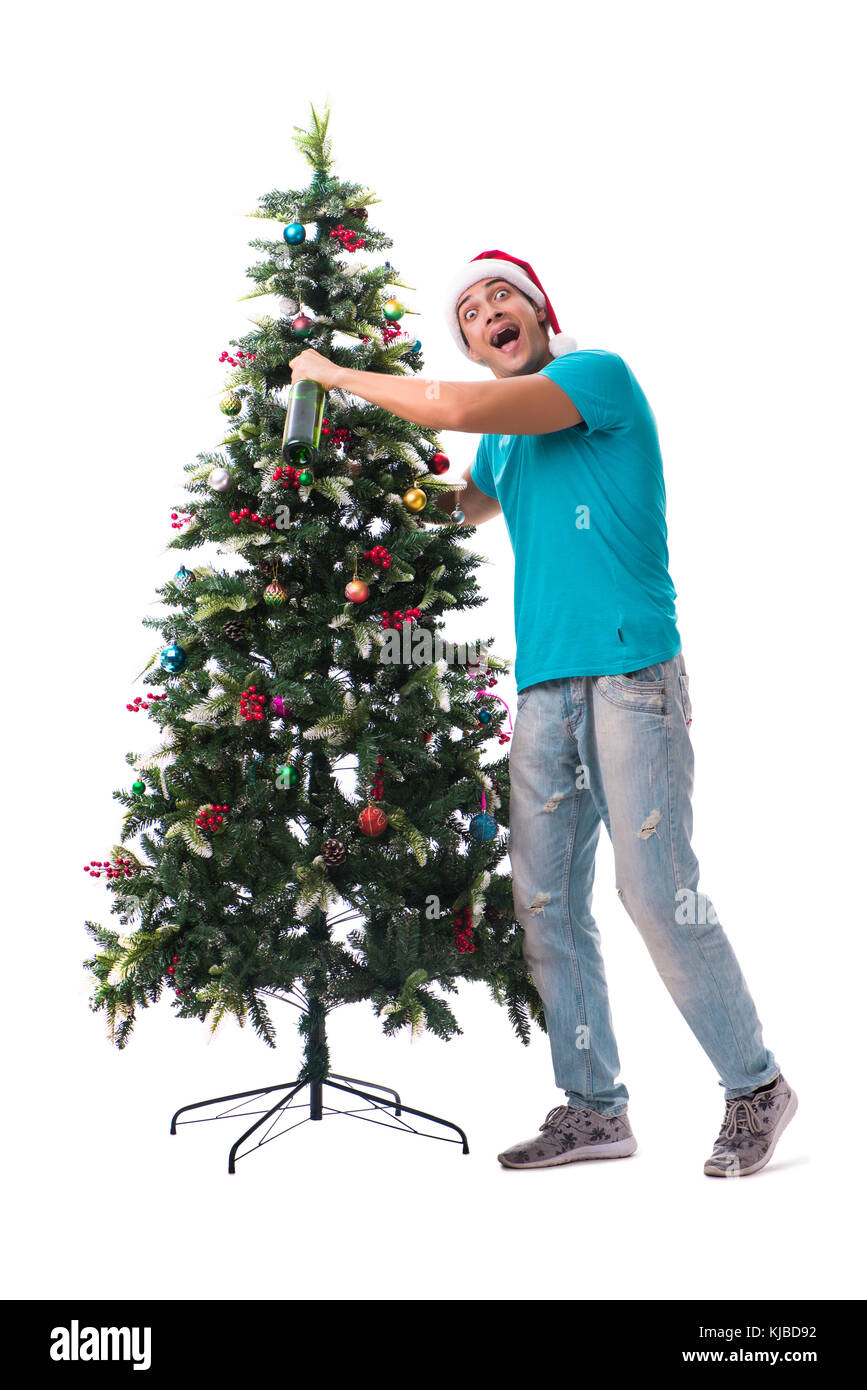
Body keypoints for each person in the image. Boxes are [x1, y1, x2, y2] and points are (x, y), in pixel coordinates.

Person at [289, 248, 797, 1178]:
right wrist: (357, 488)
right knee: (544, 901)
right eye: (471, 312)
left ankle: (755, 1085)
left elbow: (452, 407)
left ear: (539, 311)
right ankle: (594, 1107)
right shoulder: (508, 444)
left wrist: (332, 376)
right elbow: (455, 504)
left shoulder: (589, 379)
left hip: (630, 677)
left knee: (654, 891)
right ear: (478, 346)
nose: (488, 310)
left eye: (502, 296)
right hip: (543, 690)